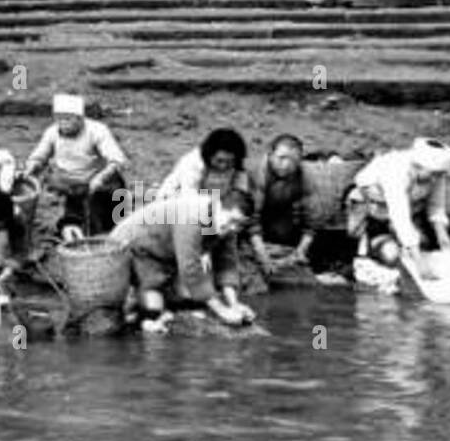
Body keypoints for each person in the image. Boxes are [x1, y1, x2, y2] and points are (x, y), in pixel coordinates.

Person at [110, 187, 256, 331]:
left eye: (240, 224)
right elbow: (190, 268)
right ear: (218, 206)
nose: (233, 228)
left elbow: (227, 264)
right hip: (134, 244)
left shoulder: (229, 226)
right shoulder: (191, 217)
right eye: (232, 221)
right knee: (153, 310)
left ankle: (159, 295)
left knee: (188, 299)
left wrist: (234, 304)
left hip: (166, 250)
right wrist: (222, 311)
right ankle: (136, 303)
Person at [24, 92, 128, 239]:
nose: (63, 123)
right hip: (71, 186)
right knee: (74, 224)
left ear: (80, 119)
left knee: (112, 220)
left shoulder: (97, 131)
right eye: (59, 119)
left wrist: (100, 178)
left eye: (68, 119)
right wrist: (30, 168)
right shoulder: (52, 132)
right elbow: (39, 157)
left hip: (99, 182)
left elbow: (117, 160)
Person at [345, 138, 450, 268]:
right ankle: (370, 244)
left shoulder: (436, 174)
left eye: (440, 175)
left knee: (424, 244)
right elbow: (400, 217)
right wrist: (419, 262)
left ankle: (403, 240)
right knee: (393, 254)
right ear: (417, 166)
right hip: (375, 211)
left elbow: (436, 205)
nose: (436, 179)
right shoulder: (395, 172)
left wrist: (443, 237)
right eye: (434, 174)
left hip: (410, 207)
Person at [246, 134, 316, 278]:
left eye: (294, 160)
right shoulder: (258, 174)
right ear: (270, 155)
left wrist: (301, 251)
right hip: (253, 227)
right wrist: (263, 256)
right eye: (281, 158)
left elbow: (311, 221)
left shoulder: (305, 176)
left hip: (284, 225)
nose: (286, 165)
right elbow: (252, 220)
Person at [158, 126, 253, 203]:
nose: (223, 166)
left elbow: (242, 193)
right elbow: (188, 198)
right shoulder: (192, 163)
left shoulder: (237, 168)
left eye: (229, 162)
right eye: (219, 161)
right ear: (210, 156)